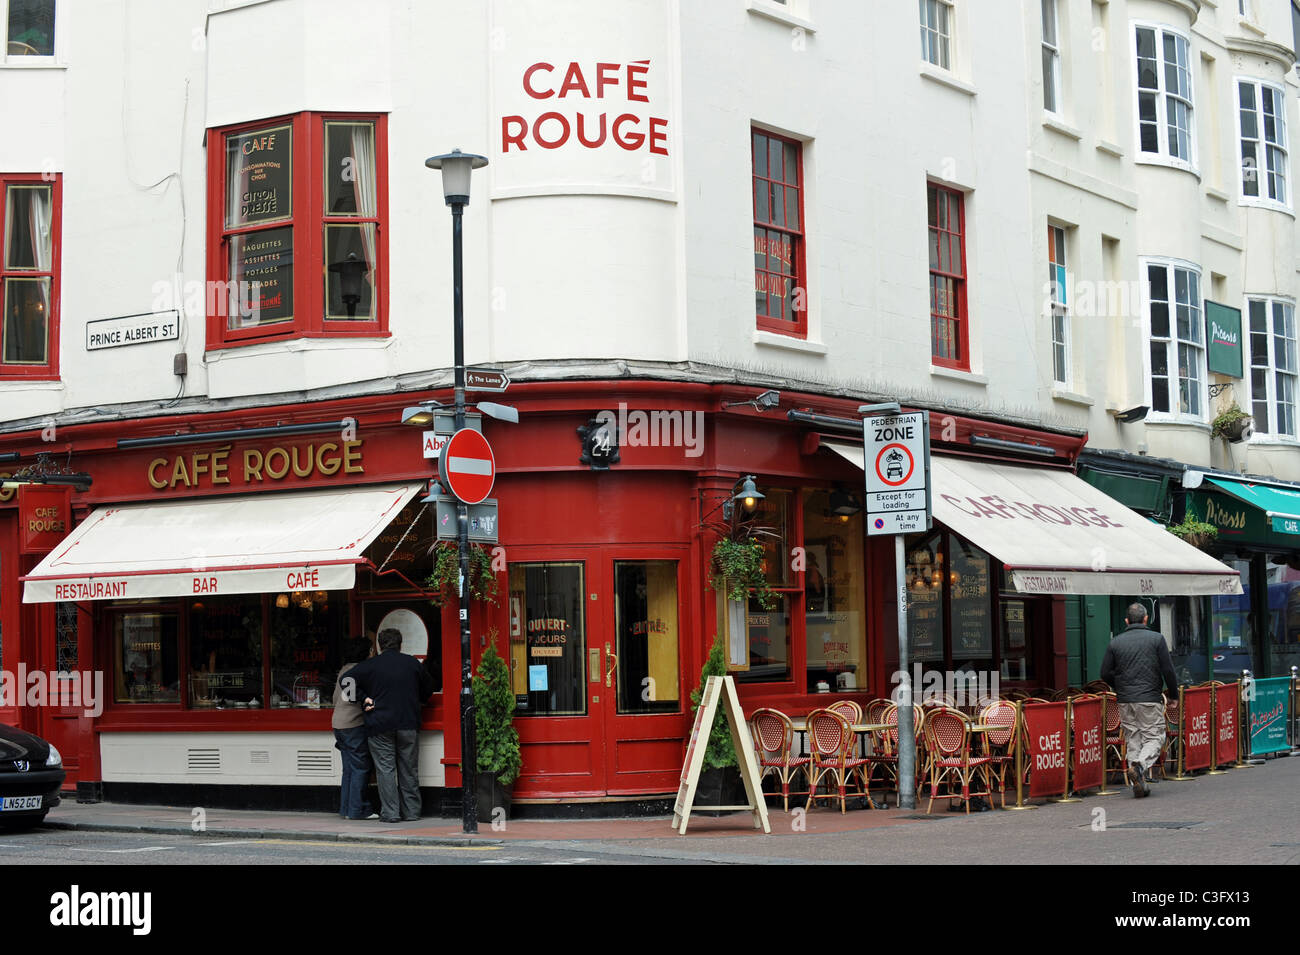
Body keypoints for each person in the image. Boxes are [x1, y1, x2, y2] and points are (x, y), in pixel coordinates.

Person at [347, 628, 434, 822]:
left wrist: (362, 699)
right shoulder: (413, 663)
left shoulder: (370, 665)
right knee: (409, 769)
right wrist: (416, 700)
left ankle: (391, 813)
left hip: (379, 724)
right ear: (400, 644)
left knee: (386, 771)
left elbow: (346, 681)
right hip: (408, 723)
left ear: (379, 645)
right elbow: (429, 688)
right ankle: (411, 812)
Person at [1100, 603, 1180, 799]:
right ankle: (1140, 766)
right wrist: (1173, 695)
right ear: (1146, 619)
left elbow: (1104, 673)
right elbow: (1168, 670)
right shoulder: (1157, 639)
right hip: (1149, 697)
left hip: (1125, 699)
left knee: (1133, 737)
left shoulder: (1115, 642)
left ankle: (1140, 783)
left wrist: (1119, 686)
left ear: (1126, 621)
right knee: (1155, 737)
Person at [332, 638, 376, 820]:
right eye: (371, 650)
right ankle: (358, 809)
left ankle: (347, 809)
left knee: (349, 769)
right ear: (365, 653)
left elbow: (336, 698)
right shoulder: (358, 671)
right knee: (361, 768)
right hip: (353, 724)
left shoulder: (343, 670)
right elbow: (354, 698)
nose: (373, 652)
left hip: (338, 723)